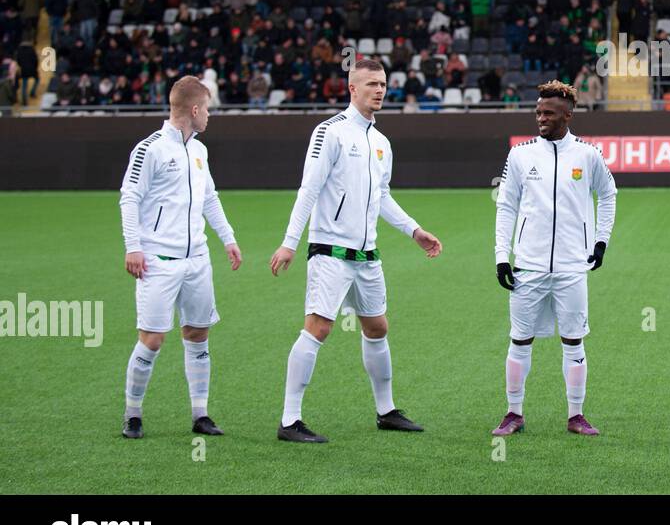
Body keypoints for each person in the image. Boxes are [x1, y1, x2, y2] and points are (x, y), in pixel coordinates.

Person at [269, 57, 443, 443]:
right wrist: (289, 243)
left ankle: (386, 411)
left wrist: (414, 231)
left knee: (377, 327)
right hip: (330, 251)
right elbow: (308, 190)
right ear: (352, 88)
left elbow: (382, 197)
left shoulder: (381, 142)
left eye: (382, 84)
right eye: (371, 85)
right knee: (318, 328)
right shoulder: (329, 132)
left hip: (368, 256)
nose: (379, 90)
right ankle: (289, 420)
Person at [117, 75, 242, 439]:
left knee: (198, 334)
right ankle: (133, 412)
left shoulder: (199, 150)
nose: (210, 116)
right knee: (152, 339)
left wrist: (228, 239)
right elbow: (129, 198)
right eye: (208, 109)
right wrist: (133, 246)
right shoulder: (149, 148)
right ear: (194, 108)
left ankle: (200, 414)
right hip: (158, 261)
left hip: (197, 260)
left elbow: (209, 199)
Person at [492, 80, 617, 436]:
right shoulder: (520, 154)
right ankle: (514, 412)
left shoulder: (588, 154)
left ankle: (576, 415)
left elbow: (608, 195)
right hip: (527, 265)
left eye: (548, 113)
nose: (541, 118)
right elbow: (506, 206)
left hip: (572, 265)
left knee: (574, 340)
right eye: (538, 112)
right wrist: (503, 256)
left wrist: (600, 241)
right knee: (520, 339)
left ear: (567, 115)